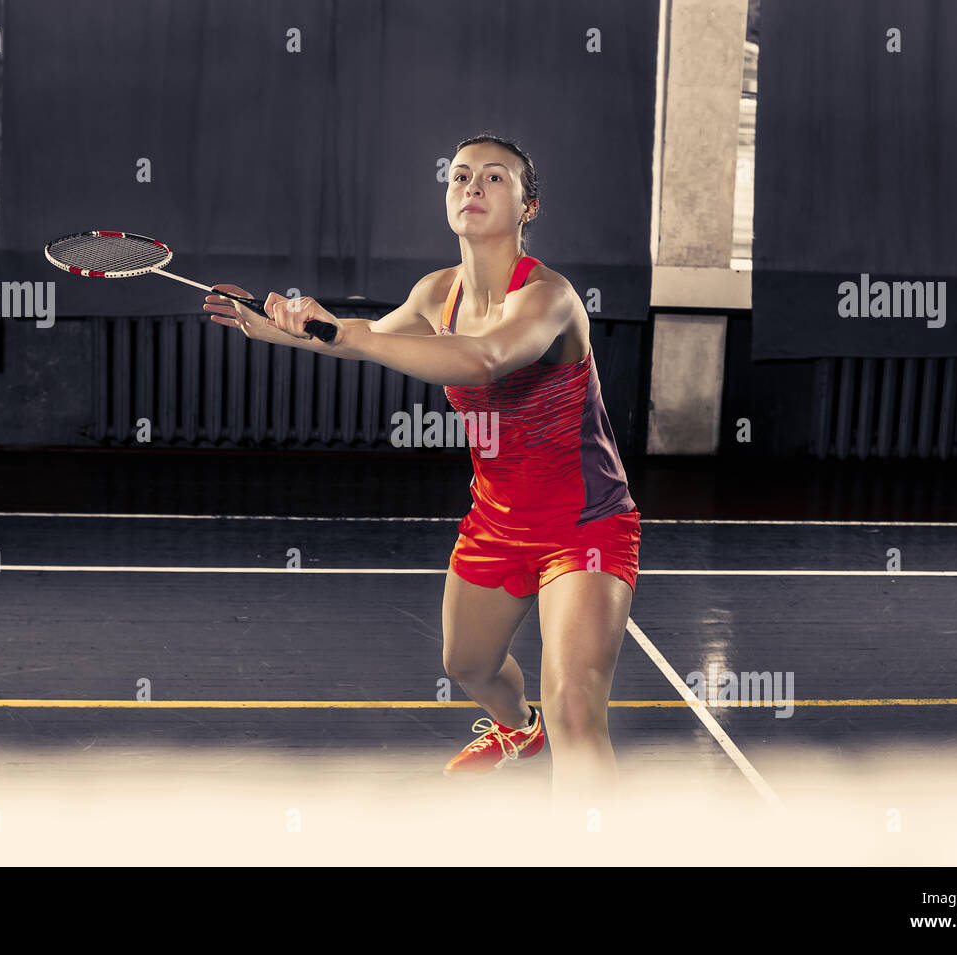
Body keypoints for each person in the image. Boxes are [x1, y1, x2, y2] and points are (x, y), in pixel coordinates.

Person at [204, 133, 640, 802]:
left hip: (584, 527)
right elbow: (369, 339)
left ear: (530, 207)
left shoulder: (549, 298)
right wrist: (289, 331)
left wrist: (340, 331)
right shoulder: (437, 293)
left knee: (575, 704)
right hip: (495, 520)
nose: (473, 186)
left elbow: (482, 360)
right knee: (466, 663)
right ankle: (516, 730)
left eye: (496, 178)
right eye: (462, 175)